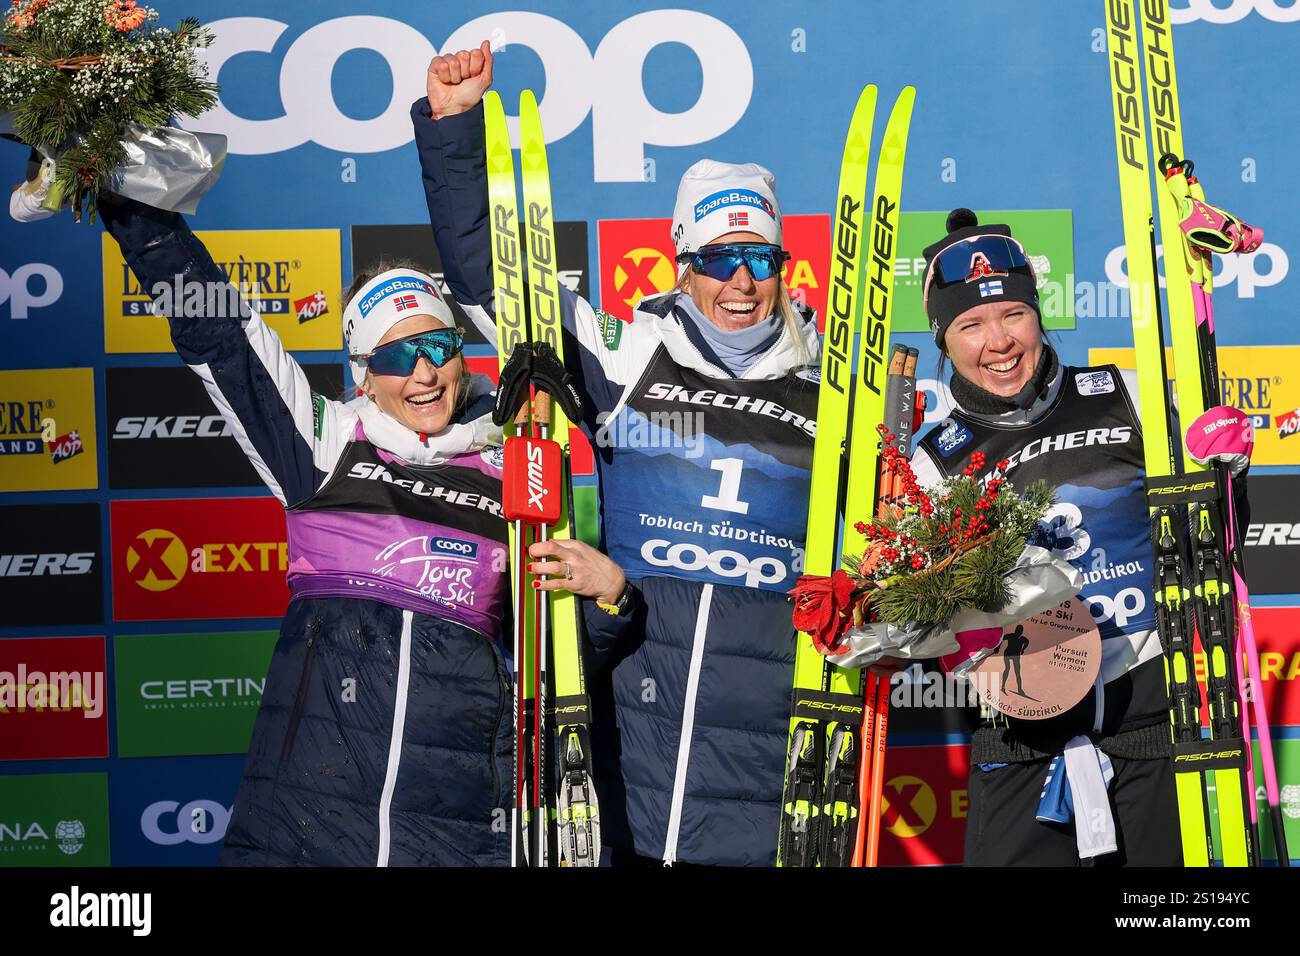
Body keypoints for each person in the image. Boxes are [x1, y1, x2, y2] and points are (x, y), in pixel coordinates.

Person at [414, 42, 823, 866]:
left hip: (768, 750)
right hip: (629, 737)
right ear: (683, 261)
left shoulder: (831, 397)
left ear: (783, 267)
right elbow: (499, 282)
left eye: (760, 259)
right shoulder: (631, 358)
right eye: (717, 259)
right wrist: (456, 131)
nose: (740, 282)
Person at [97, 193, 518, 866]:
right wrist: (137, 214)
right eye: (394, 357)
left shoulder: (511, 469)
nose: (422, 372)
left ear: (461, 354)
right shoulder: (327, 446)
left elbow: (550, 649)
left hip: (459, 827)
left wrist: (608, 598)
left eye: (438, 344)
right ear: (362, 375)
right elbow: (223, 339)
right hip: (307, 824)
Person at [911, 208, 1252, 866]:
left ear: (1038, 314)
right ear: (943, 341)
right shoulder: (934, 462)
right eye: (970, 325)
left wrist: (1228, 470)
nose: (998, 342)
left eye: (1012, 315)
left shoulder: (1124, 395)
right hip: (1023, 745)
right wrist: (947, 630)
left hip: (1157, 721)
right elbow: (924, 623)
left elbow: (1217, 536)